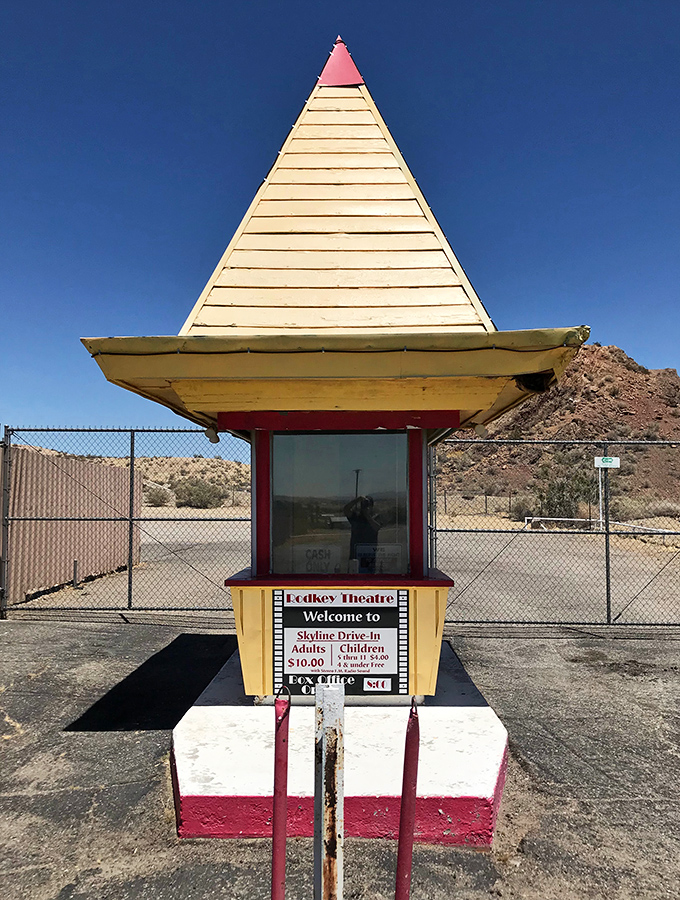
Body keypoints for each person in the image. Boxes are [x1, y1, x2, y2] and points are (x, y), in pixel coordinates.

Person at [343, 495, 381, 573]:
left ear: (372, 506)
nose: (366, 507)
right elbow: (346, 509)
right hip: (355, 554)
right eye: (364, 505)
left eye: (368, 505)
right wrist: (357, 500)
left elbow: (377, 527)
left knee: (367, 577)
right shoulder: (356, 517)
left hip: (368, 555)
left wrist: (368, 516)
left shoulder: (376, 517)